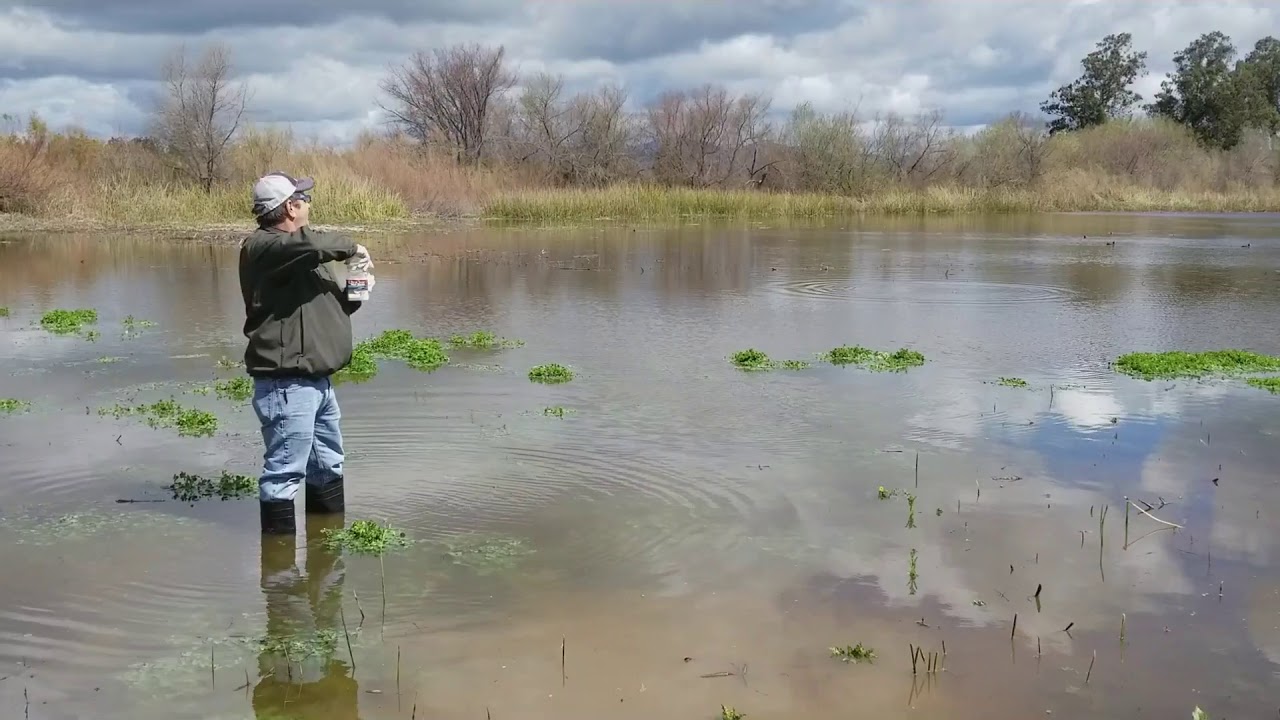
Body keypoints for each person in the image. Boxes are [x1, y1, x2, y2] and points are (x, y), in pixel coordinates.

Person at [239, 171, 372, 535]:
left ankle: (327, 557)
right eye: (304, 199)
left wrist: (357, 289)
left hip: (317, 381)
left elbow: (332, 309)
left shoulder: (301, 255)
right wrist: (353, 247)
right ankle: (280, 581)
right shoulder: (264, 247)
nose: (309, 204)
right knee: (283, 475)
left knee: (327, 465)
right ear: (291, 207)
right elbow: (314, 245)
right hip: (286, 384)